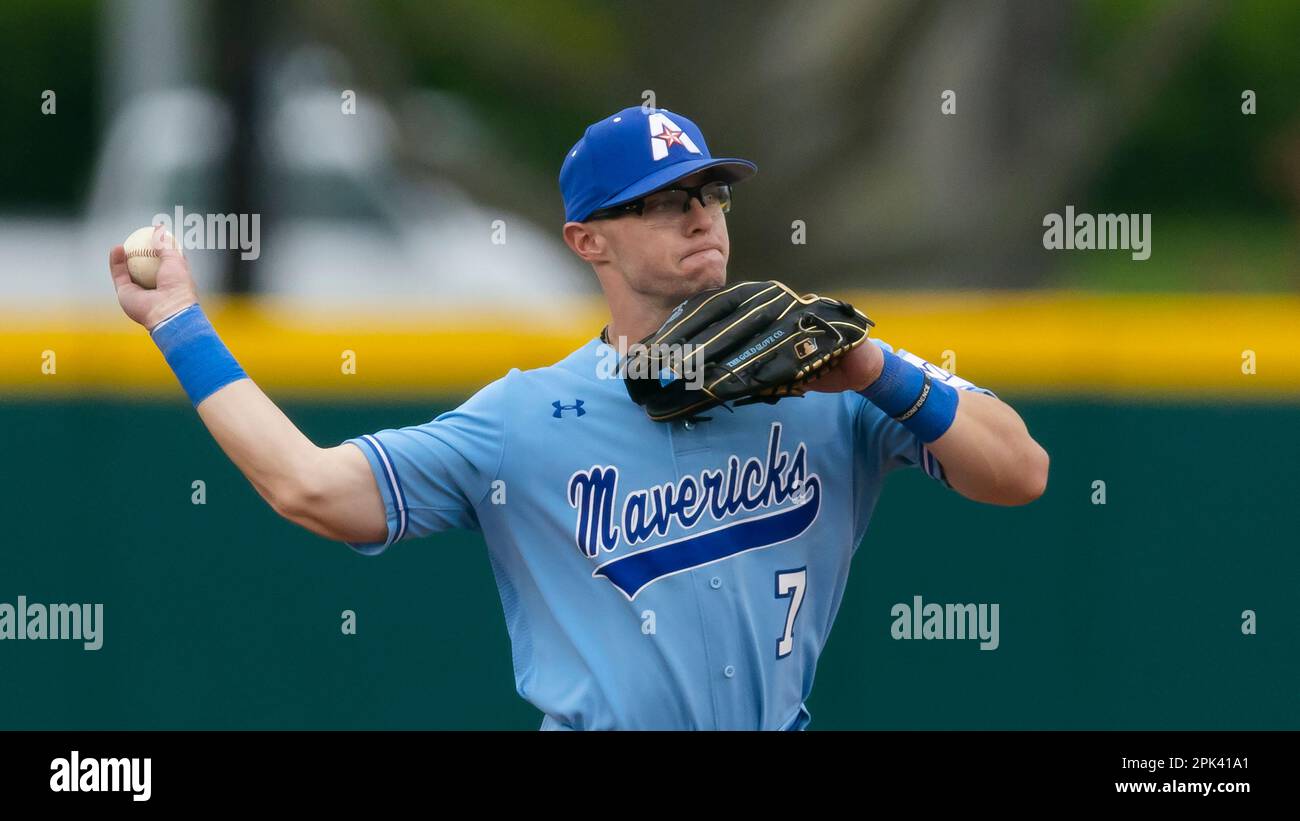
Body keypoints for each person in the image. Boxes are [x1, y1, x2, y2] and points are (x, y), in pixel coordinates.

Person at [108, 105, 1048, 730]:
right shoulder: (527, 419)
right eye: (662, 202)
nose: (700, 217)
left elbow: (1021, 472)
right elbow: (307, 485)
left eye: (710, 193)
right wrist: (180, 323)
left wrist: (875, 370)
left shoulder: (829, 368)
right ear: (587, 239)